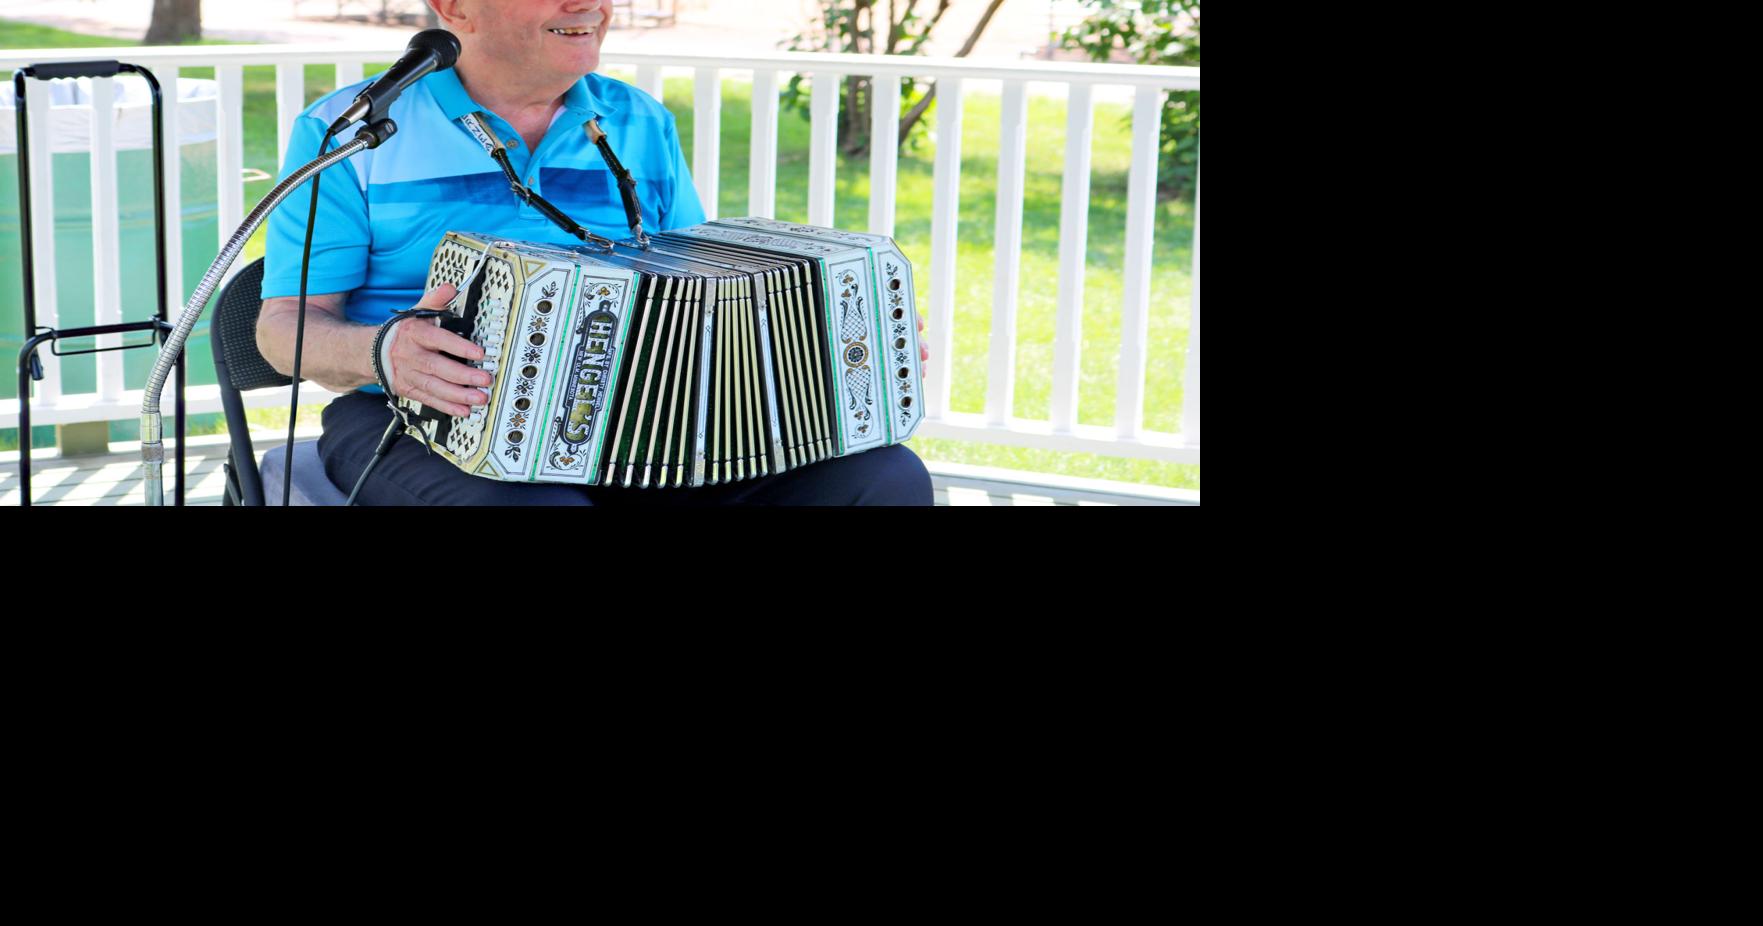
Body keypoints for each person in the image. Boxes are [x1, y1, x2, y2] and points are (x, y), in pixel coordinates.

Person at [257, 0, 933, 505]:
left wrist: (841, 338)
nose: (590, 5)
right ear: (454, 7)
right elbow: (282, 327)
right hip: (407, 421)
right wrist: (382, 352)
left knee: (884, 478)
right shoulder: (349, 131)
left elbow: (705, 288)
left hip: (642, 423)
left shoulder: (639, 120)